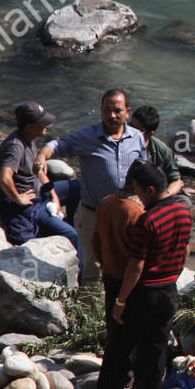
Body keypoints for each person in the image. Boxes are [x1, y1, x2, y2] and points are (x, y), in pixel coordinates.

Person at [106, 163, 192, 389]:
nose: (138, 198)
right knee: (156, 352)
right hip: (169, 291)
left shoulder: (148, 220)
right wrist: (173, 277)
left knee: (120, 345)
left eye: (140, 193)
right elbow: (185, 250)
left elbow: (136, 267)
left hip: (145, 293)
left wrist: (121, 301)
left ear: (151, 189)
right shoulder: (183, 210)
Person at [35, 89, 147, 282]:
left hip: (127, 215)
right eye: (106, 110)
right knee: (91, 266)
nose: (111, 115)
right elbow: (58, 145)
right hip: (93, 214)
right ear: (100, 110)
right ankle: (90, 306)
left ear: (127, 112)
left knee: (127, 262)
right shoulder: (88, 136)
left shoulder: (137, 138)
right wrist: (41, 156)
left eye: (117, 110)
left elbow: (145, 173)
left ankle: (121, 305)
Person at [0, 102, 82, 262]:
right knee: (72, 235)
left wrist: (53, 194)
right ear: (29, 126)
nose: (47, 124)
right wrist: (18, 198)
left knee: (76, 186)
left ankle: (68, 222)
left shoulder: (29, 139)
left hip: (42, 192)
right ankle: (82, 276)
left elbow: (37, 171)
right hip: (31, 202)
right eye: (43, 122)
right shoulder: (15, 147)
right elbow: (4, 178)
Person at [92, 163, 145, 389]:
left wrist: (104, 265)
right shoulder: (136, 213)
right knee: (129, 335)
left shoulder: (106, 202)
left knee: (113, 330)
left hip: (109, 275)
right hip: (128, 282)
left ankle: (115, 381)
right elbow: (139, 260)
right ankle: (121, 385)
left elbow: (95, 243)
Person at [129, 106, 184, 197]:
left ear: (150, 134)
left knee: (183, 201)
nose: (131, 132)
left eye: (137, 130)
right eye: (130, 126)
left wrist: (164, 196)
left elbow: (176, 181)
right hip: (128, 194)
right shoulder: (121, 144)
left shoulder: (162, 150)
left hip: (151, 196)